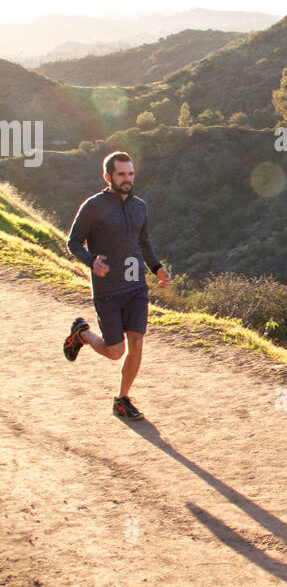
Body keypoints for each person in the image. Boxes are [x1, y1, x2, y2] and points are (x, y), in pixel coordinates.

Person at [63, 151, 170, 420]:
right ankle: (82, 335)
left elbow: (143, 242)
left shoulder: (140, 207)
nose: (127, 179)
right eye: (121, 174)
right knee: (115, 351)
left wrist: (157, 268)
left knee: (136, 343)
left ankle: (122, 399)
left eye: (131, 173)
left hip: (135, 286)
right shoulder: (94, 206)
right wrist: (91, 261)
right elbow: (73, 242)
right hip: (108, 289)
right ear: (107, 176)